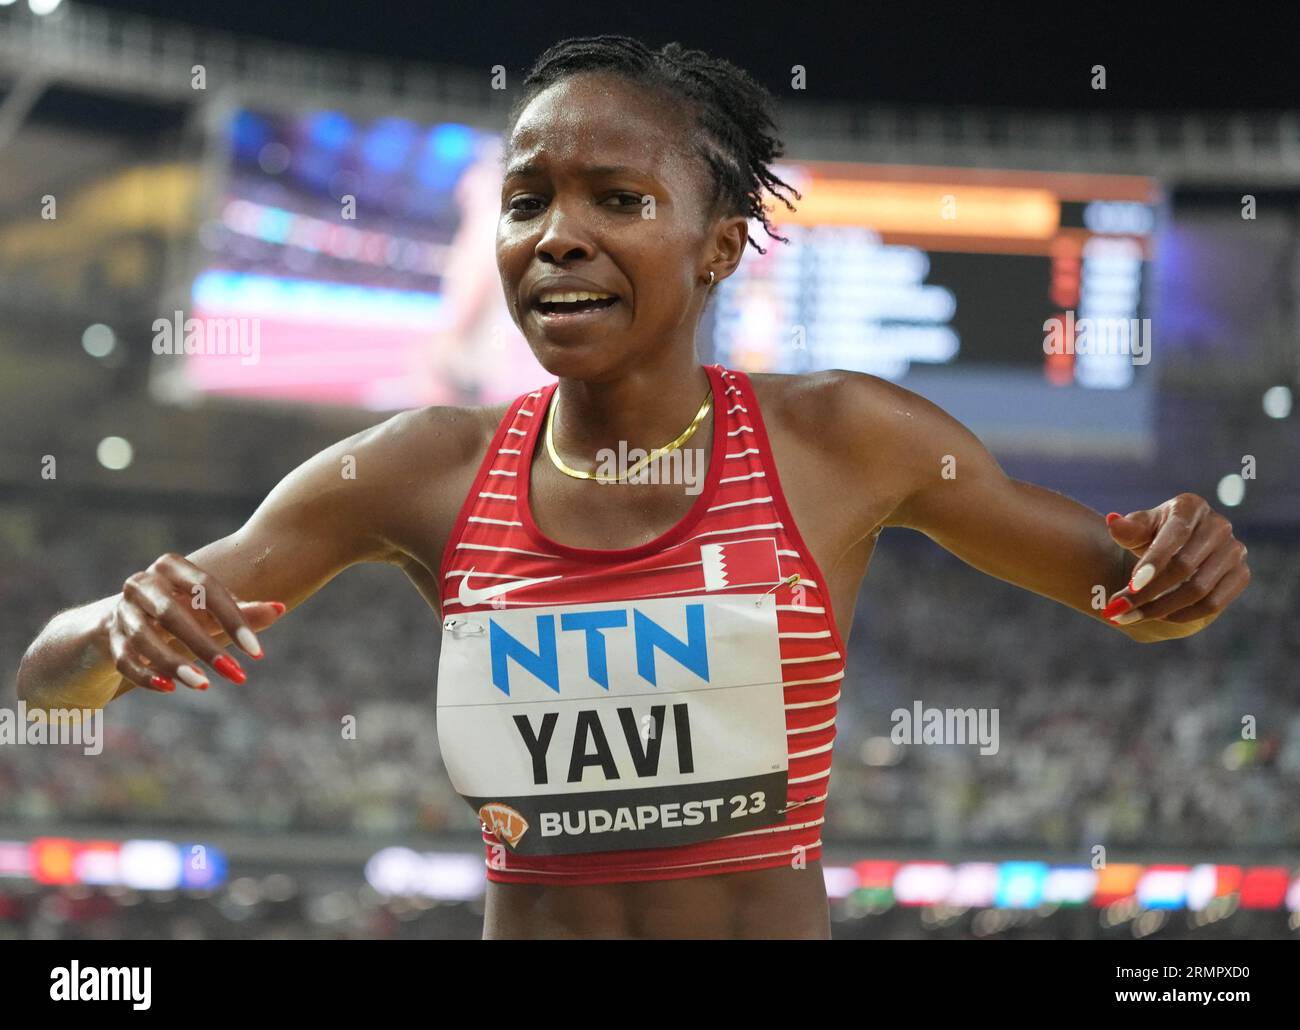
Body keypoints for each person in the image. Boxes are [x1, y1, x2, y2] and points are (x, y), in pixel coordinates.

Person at [16, 36, 1250, 940]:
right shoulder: (416, 470)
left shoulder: (846, 440)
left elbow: (1136, 593)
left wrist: (1190, 560)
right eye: (526, 199)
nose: (556, 234)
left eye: (619, 199)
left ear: (718, 246)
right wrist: (115, 625)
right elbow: (48, 679)